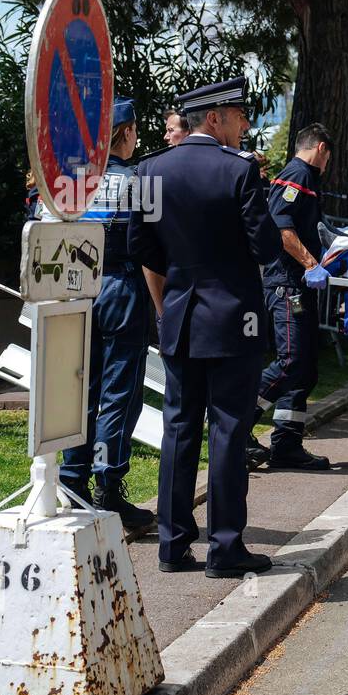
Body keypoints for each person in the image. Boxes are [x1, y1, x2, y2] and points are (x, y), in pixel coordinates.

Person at [129, 77, 281, 578]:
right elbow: (266, 248)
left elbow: (142, 247)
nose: (243, 124)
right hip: (232, 315)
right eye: (238, 116)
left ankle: (172, 545)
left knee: (178, 428)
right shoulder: (238, 171)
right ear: (213, 119)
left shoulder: (150, 170)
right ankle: (225, 547)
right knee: (229, 430)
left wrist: (174, 288)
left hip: (179, 313)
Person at [56, 97, 154, 530]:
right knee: (119, 393)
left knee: (81, 389)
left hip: (76, 291)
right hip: (122, 289)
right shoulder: (137, 182)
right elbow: (153, 247)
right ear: (126, 132)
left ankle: (72, 482)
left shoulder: (69, 181)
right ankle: (108, 487)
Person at [248, 122, 337, 472]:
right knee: (290, 361)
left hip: (297, 284)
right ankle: (240, 420)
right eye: (329, 156)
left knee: (305, 368)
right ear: (321, 148)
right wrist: (311, 263)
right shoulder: (297, 173)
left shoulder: (306, 179)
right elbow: (281, 226)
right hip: (287, 283)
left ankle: (286, 442)